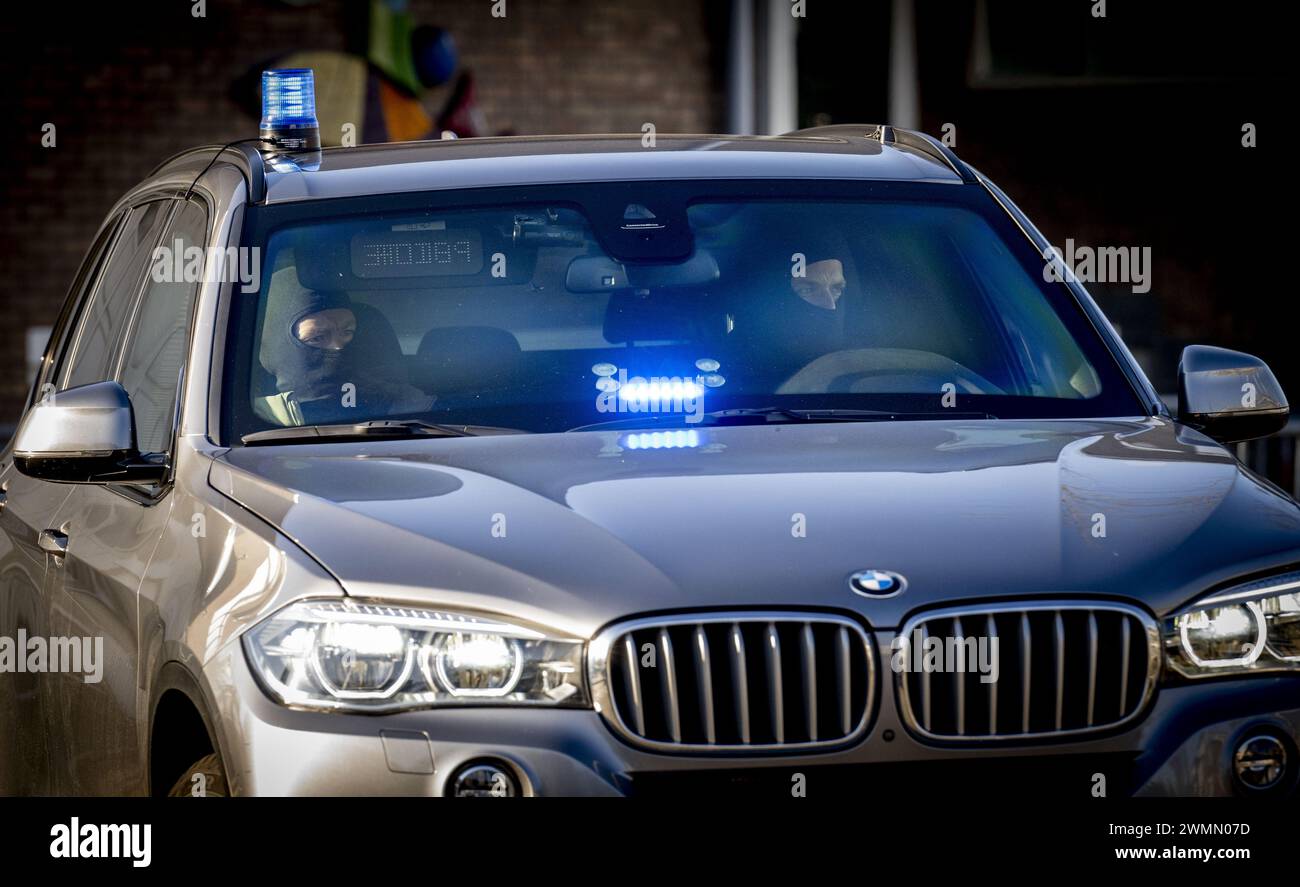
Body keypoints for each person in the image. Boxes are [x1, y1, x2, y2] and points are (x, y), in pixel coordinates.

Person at [255, 270, 433, 426]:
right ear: (276, 346)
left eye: (347, 332)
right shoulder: (255, 420)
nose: (338, 347)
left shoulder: (413, 412)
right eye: (317, 337)